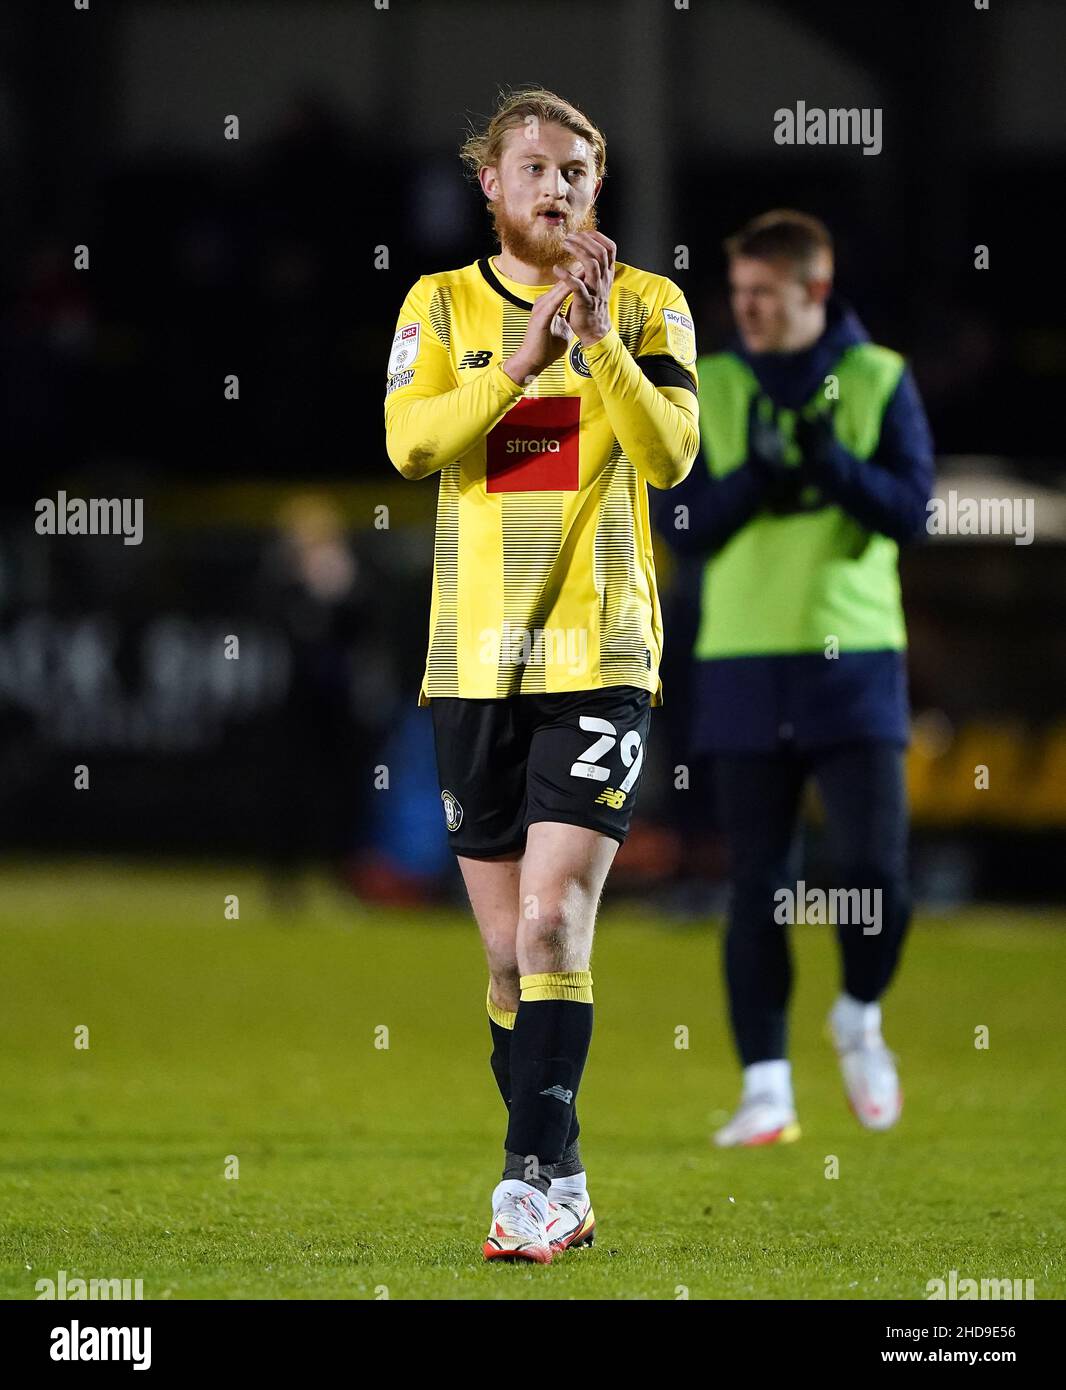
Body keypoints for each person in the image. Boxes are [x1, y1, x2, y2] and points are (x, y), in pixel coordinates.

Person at [384, 88, 699, 1260]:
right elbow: (411, 444)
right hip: (472, 663)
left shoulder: (653, 304)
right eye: (535, 169)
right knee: (509, 960)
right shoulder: (440, 303)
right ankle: (561, 1174)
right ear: (492, 186)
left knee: (556, 919)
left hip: (597, 656)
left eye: (576, 172)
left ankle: (524, 1187)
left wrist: (597, 337)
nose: (557, 189)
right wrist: (520, 363)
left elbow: (668, 455)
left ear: (595, 191)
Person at [654, 210, 934, 1146]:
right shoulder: (715, 385)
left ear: (815, 291)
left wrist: (834, 468)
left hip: (854, 662)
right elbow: (681, 526)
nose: (747, 313)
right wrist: (749, 487)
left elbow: (912, 512)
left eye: (763, 296)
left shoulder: (880, 378)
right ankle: (766, 1088)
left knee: (874, 877)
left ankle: (858, 1014)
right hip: (741, 663)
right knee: (757, 887)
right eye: (737, 296)